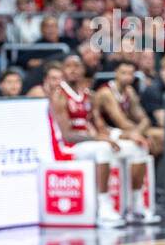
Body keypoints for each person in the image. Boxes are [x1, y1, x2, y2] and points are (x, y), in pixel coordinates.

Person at [50, 54, 125, 227]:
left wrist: (118, 135)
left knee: (135, 148)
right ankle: (104, 208)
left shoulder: (87, 94)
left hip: (88, 142)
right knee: (103, 149)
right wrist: (99, 139)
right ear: (62, 70)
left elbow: (99, 125)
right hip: (68, 147)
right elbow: (68, 135)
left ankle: (138, 207)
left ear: (83, 70)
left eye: (77, 66)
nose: (73, 70)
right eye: (69, 66)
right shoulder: (59, 95)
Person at [92, 60, 161, 224]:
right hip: (105, 133)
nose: (127, 77)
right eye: (124, 73)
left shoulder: (129, 91)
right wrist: (135, 134)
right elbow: (120, 121)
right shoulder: (106, 92)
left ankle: (136, 204)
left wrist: (137, 133)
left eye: (130, 73)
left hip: (121, 135)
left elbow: (144, 118)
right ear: (116, 73)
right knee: (142, 142)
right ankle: (104, 206)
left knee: (140, 149)